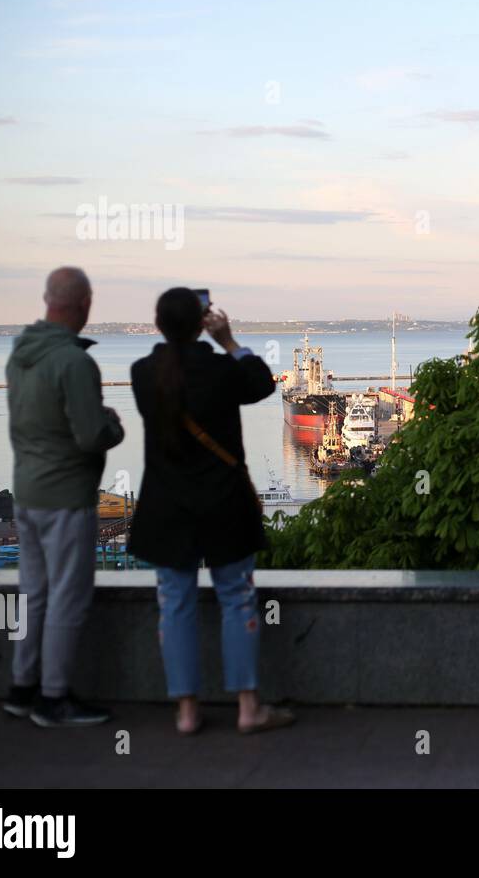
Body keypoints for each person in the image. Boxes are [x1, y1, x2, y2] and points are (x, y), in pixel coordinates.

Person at [128, 288, 294, 735]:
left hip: (167, 506)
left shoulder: (143, 373)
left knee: (174, 605)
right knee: (237, 598)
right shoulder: (221, 368)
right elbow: (262, 383)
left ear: (159, 324)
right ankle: (248, 707)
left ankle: (185, 712)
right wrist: (229, 340)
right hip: (224, 502)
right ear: (204, 321)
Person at [5, 266, 124, 727]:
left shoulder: (21, 353)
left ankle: (22, 687)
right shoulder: (75, 363)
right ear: (85, 304)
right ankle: (54, 698)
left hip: (27, 492)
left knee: (33, 593)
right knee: (68, 597)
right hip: (66, 497)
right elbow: (92, 435)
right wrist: (112, 422)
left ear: (47, 299)